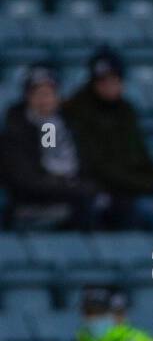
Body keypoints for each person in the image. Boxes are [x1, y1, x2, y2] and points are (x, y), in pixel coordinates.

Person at [63, 48, 153, 231]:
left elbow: (143, 156)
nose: (110, 86)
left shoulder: (125, 110)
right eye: (103, 81)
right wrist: (148, 186)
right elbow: (98, 167)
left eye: (114, 80)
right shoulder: (78, 112)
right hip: (112, 195)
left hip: (136, 188)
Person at [0, 65, 105, 230]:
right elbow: (26, 181)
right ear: (27, 96)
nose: (44, 100)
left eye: (49, 93)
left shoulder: (70, 124)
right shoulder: (15, 130)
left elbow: (86, 165)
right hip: (32, 203)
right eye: (38, 94)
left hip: (73, 195)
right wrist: (71, 187)